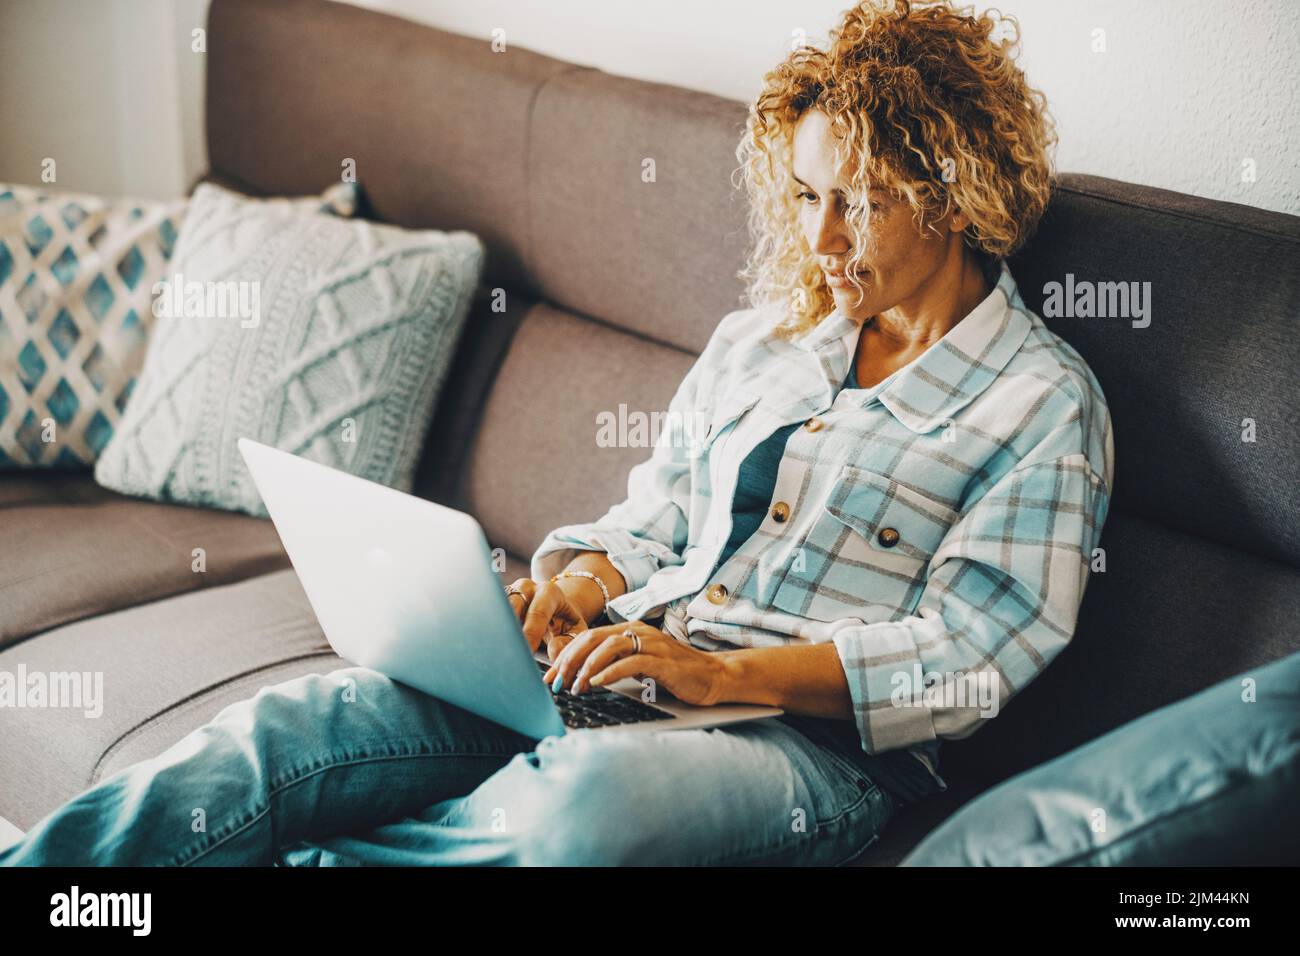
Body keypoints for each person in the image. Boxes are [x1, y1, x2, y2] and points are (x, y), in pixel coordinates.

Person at [1, 0, 1111, 867]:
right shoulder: (768, 339)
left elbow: (970, 661)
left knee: (579, 813)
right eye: (808, 193)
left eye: (860, 200)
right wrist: (577, 579)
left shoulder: (1038, 406)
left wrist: (724, 679)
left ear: (956, 194)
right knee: (295, 725)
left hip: (806, 752)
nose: (818, 236)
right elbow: (652, 515)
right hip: (611, 668)